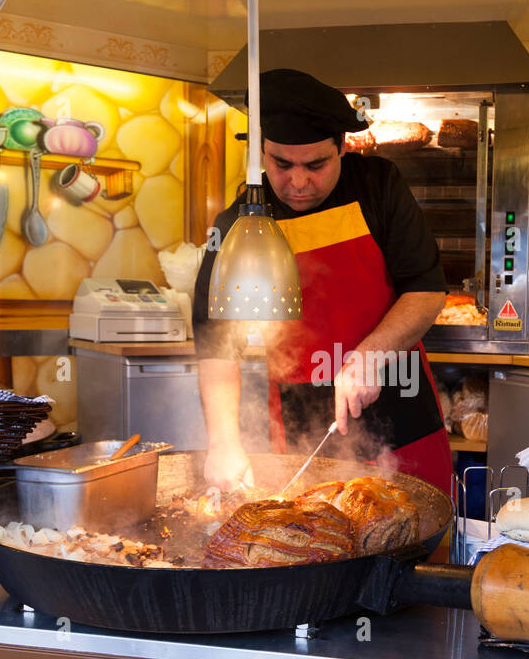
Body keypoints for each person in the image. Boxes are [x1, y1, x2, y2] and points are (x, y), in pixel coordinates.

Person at [193, 68, 452, 494]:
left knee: (414, 528)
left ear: (342, 148)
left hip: (397, 394)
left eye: (315, 165)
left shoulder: (378, 187)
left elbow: (425, 290)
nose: (297, 181)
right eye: (281, 164)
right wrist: (223, 443)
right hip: (303, 422)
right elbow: (216, 346)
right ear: (260, 154)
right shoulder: (236, 228)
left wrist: (369, 356)